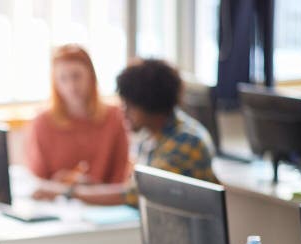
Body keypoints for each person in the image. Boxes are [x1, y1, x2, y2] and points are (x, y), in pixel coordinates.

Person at [42, 58, 218, 205]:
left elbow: (134, 195)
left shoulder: (185, 141)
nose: (123, 111)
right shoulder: (151, 136)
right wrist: (89, 186)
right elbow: (131, 188)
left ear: (149, 105)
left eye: (129, 105)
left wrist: (69, 192)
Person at [25, 44, 131, 199]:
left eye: (77, 76)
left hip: (105, 209)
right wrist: (60, 186)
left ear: (91, 76)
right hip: (57, 209)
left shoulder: (115, 118)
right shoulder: (42, 122)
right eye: (63, 79)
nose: (71, 86)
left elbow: (120, 181)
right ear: (55, 83)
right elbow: (37, 181)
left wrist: (89, 189)